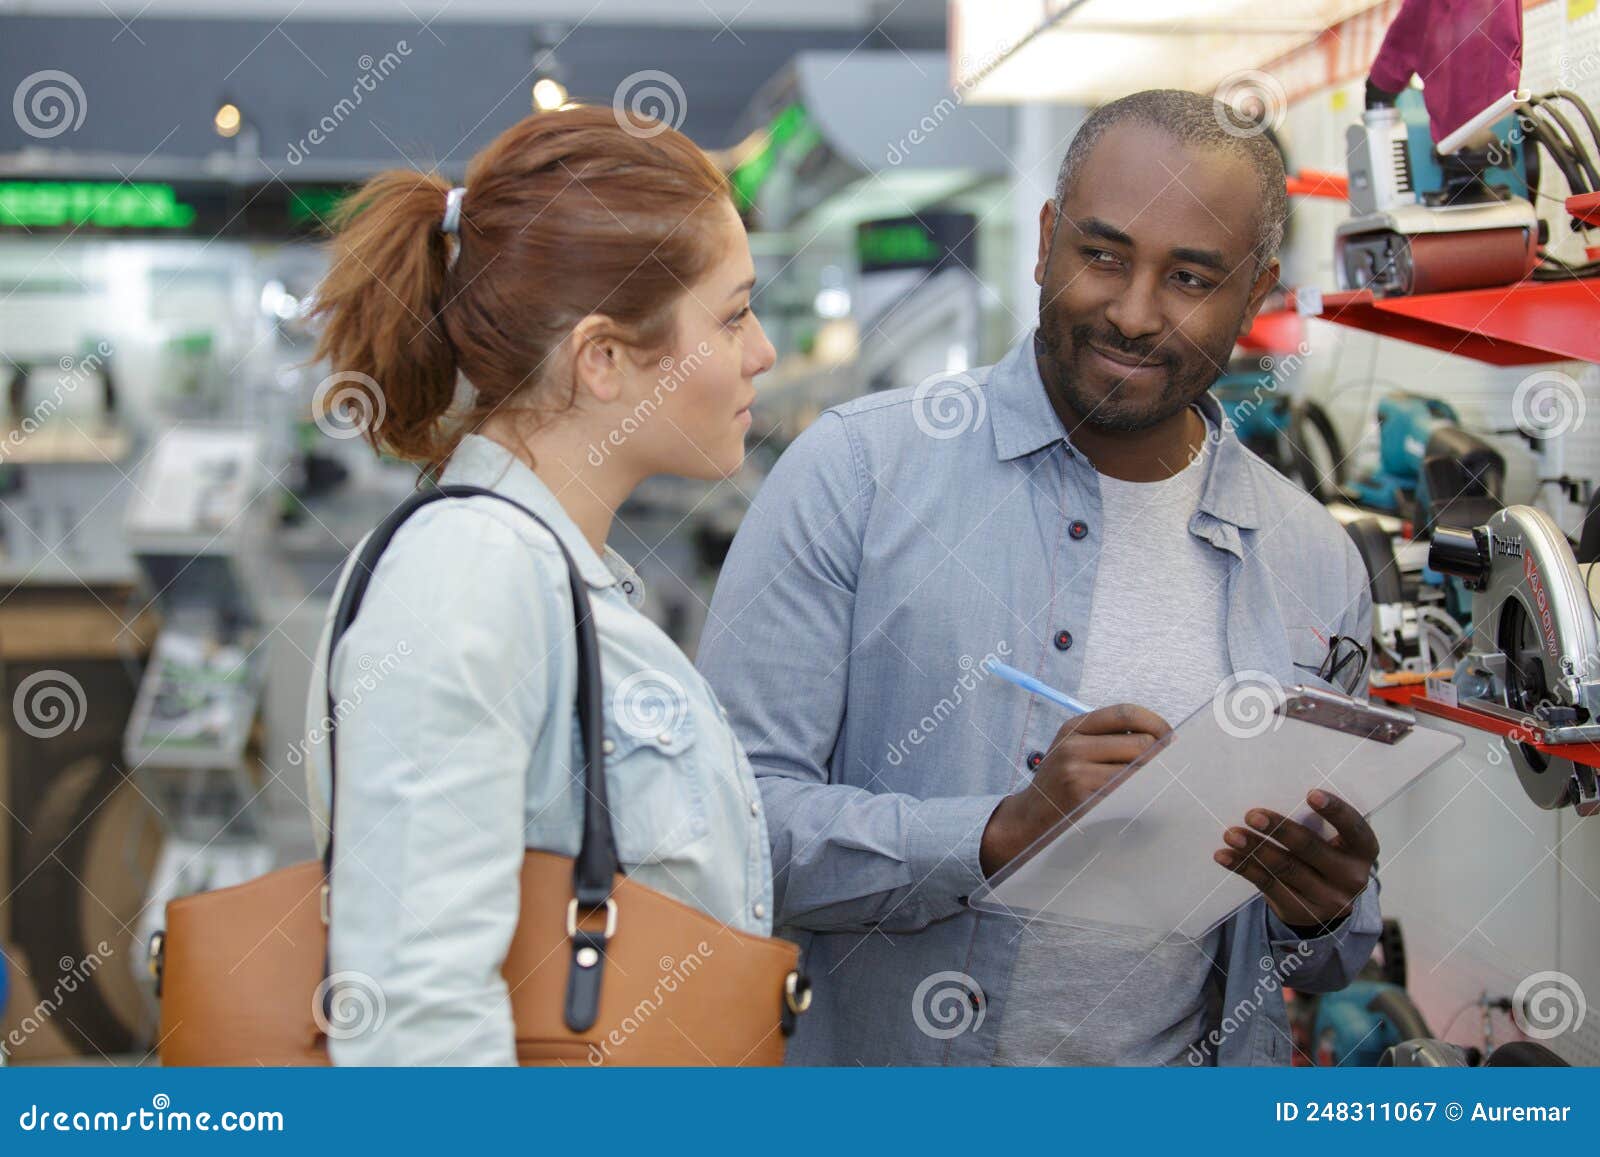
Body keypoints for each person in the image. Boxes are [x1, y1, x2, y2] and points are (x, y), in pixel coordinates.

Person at [698, 89, 1380, 1066]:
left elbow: (1331, 951)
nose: (1134, 312)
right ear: (1047, 238)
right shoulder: (858, 474)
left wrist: (1328, 904)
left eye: (1189, 276)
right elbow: (726, 825)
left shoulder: (1314, 561)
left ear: (1257, 290)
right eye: (1102, 255)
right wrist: (998, 831)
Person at [302, 106, 777, 1065]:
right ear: (602, 359)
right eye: (731, 315)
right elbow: (415, 1014)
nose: (761, 350)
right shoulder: (469, 575)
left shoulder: (541, 570)